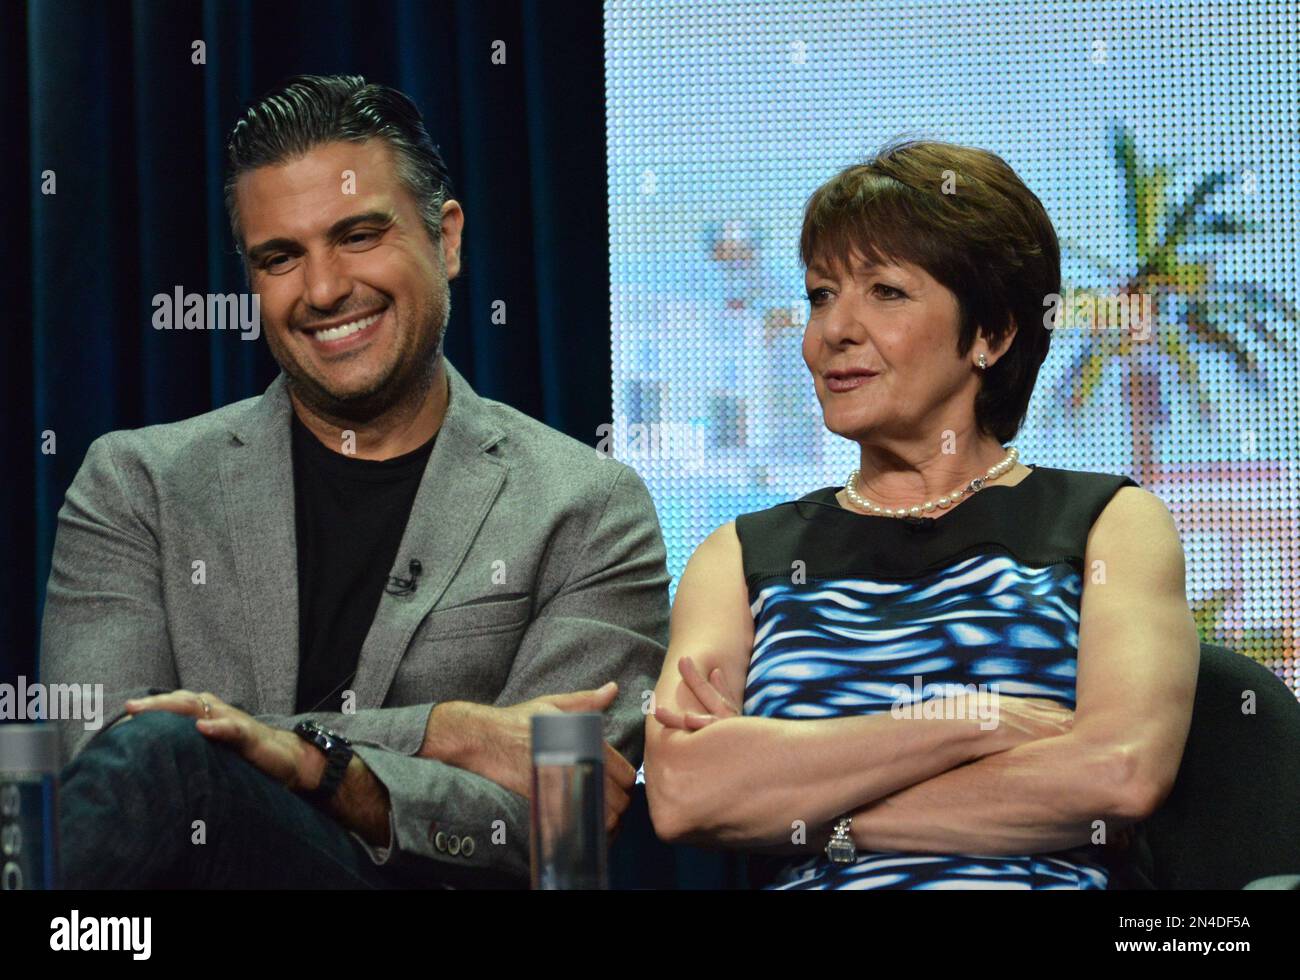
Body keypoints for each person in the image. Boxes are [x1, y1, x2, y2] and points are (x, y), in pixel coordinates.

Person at [40, 74, 670, 889]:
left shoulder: (586, 506)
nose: (326, 289)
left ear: (445, 240)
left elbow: (560, 827)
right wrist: (445, 732)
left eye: (358, 236)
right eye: (281, 257)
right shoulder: (136, 485)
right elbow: (105, 764)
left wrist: (316, 765)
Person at [643, 139, 1199, 889]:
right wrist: (978, 720)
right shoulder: (742, 556)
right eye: (819, 294)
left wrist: (811, 817)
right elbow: (685, 794)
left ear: (992, 332)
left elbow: (1117, 774)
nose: (833, 330)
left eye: (886, 292)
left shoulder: (1108, 523)